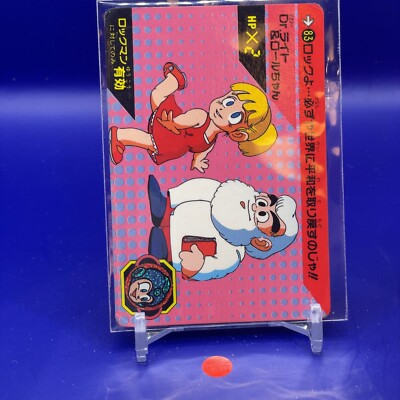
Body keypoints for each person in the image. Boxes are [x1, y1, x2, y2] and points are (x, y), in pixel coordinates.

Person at [109, 62, 277, 172]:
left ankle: (175, 80)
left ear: (237, 133)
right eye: (228, 101)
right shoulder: (201, 116)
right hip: (171, 130)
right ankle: (120, 136)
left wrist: (197, 162)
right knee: (151, 135)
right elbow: (183, 120)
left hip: (174, 141)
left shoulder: (210, 142)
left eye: (234, 116)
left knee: (158, 97)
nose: (223, 109)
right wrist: (173, 123)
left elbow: (201, 152)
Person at [147, 175, 299, 280]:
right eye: (265, 202)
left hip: (171, 247)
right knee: (210, 187)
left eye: (263, 215)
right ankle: (163, 207)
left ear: (261, 242)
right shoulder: (225, 195)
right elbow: (199, 188)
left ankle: (161, 251)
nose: (255, 206)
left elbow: (214, 268)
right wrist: (173, 199)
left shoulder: (232, 255)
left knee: (159, 250)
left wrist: (196, 267)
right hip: (171, 213)